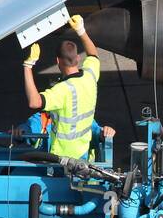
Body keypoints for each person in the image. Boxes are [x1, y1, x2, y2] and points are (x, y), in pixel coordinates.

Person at [22, 13, 116, 159]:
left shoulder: (61, 91)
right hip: (83, 155)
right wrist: (81, 30)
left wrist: (28, 66)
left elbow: (34, 102)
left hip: (61, 160)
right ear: (78, 58)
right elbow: (93, 55)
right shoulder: (90, 77)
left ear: (58, 61)